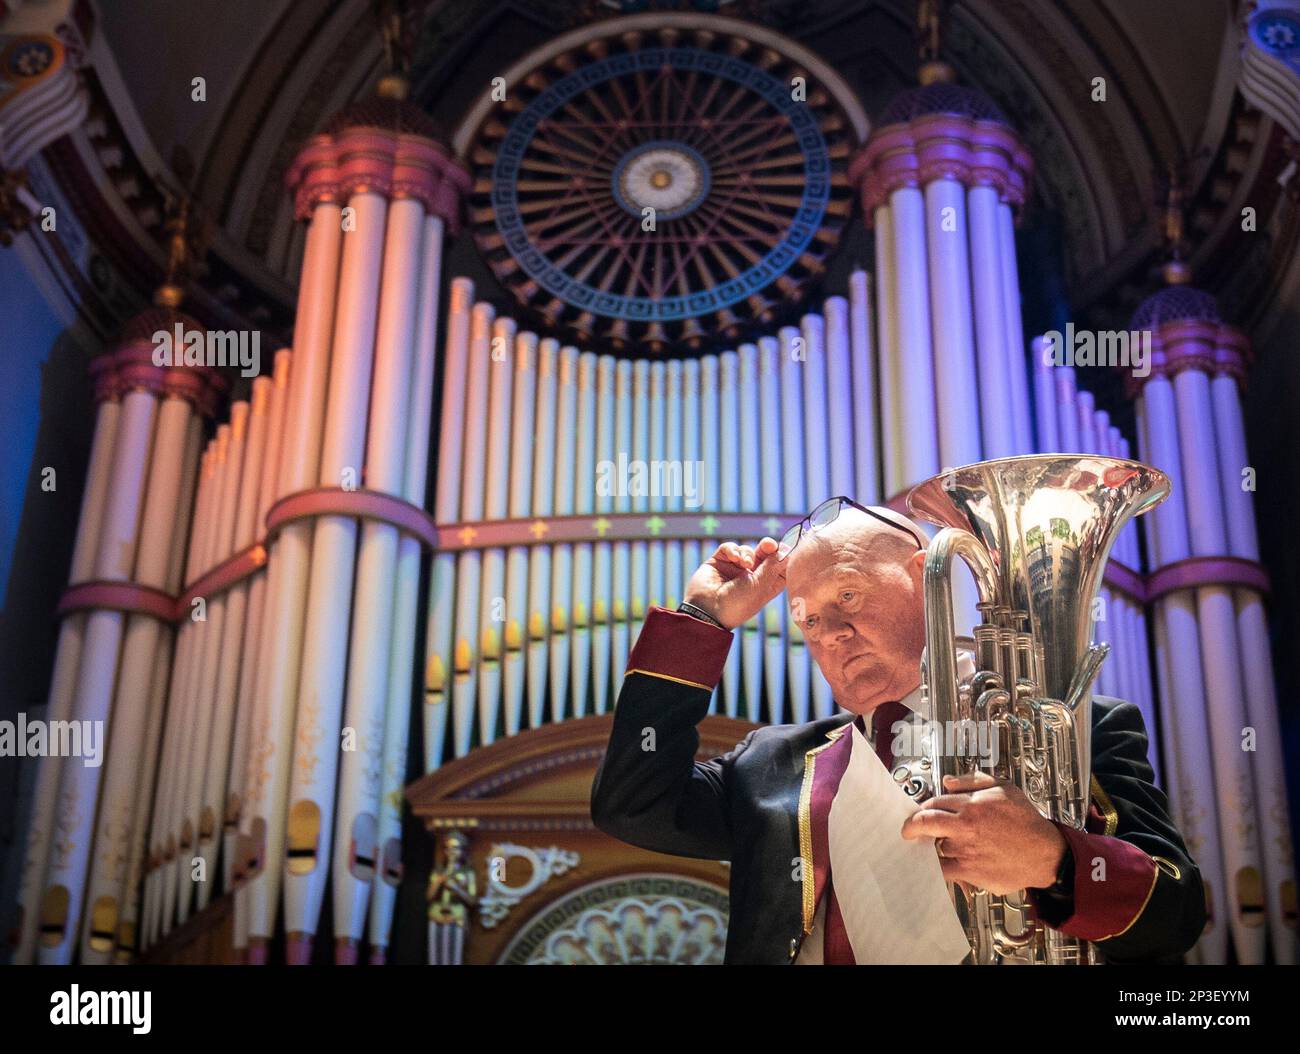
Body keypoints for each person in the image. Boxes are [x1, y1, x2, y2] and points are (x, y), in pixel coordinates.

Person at [590, 498, 1207, 964]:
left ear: (922, 575)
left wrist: (1057, 859)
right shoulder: (770, 762)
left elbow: (1178, 913)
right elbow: (633, 806)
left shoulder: (1073, 726)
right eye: (806, 620)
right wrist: (703, 620)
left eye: (849, 595)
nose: (828, 631)